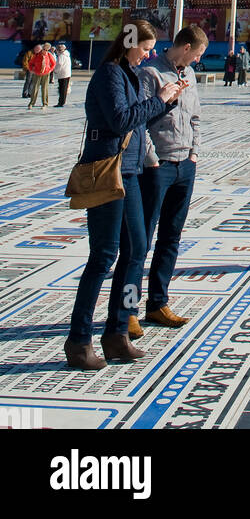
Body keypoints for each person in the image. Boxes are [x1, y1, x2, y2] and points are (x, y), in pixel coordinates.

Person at [63, 20, 181, 369]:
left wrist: (167, 102)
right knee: (103, 256)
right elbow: (119, 120)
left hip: (129, 173)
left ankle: (117, 331)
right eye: (146, 46)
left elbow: (138, 120)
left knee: (137, 250)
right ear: (129, 42)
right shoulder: (110, 74)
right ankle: (79, 339)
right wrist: (159, 99)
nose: (152, 52)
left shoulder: (131, 74)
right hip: (105, 171)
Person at [133, 25, 208, 335]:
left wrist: (194, 153)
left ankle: (158, 303)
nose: (197, 61)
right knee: (141, 240)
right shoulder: (151, 73)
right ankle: (128, 309)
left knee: (171, 236)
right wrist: (151, 159)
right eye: (198, 54)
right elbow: (139, 120)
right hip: (157, 166)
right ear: (186, 47)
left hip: (184, 166)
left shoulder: (188, 76)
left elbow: (195, 117)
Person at [28, 42, 56, 110]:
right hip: (37, 73)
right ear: (42, 49)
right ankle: (31, 103)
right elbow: (30, 63)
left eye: (47, 50)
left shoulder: (49, 55)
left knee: (44, 89)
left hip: (46, 73)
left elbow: (53, 63)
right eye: (44, 49)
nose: (45, 51)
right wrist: (31, 69)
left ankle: (45, 103)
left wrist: (50, 70)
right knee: (35, 88)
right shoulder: (37, 55)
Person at [55, 42, 73, 106]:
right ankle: (63, 101)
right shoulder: (67, 55)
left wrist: (56, 70)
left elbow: (59, 64)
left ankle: (61, 102)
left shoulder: (61, 56)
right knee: (64, 88)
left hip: (62, 74)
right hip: (67, 73)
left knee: (62, 88)